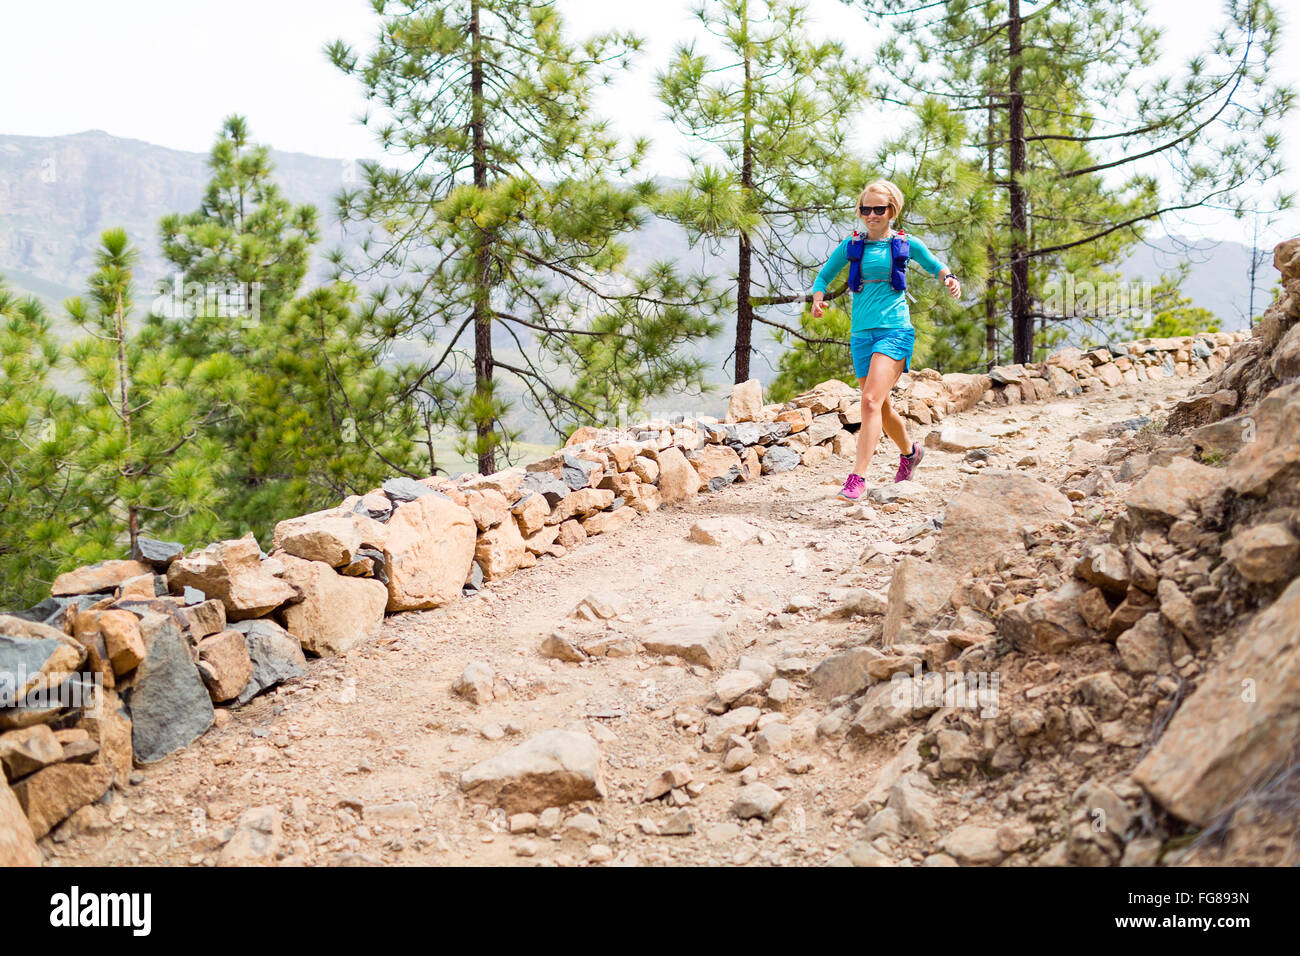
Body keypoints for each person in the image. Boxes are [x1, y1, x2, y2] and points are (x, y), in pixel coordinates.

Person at [810, 180, 961, 501]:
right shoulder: (852, 246)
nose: (872, 215)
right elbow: (823, 276)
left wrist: (948, 278)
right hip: (861, 336)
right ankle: (911, 453)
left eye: (879, 209)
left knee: (868, 402)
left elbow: (936, 265)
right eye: (866, 209)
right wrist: (818, 297)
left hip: (895, 331)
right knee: (882, 405)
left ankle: (857, 479)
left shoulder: (906, 243)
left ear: (892, 210)